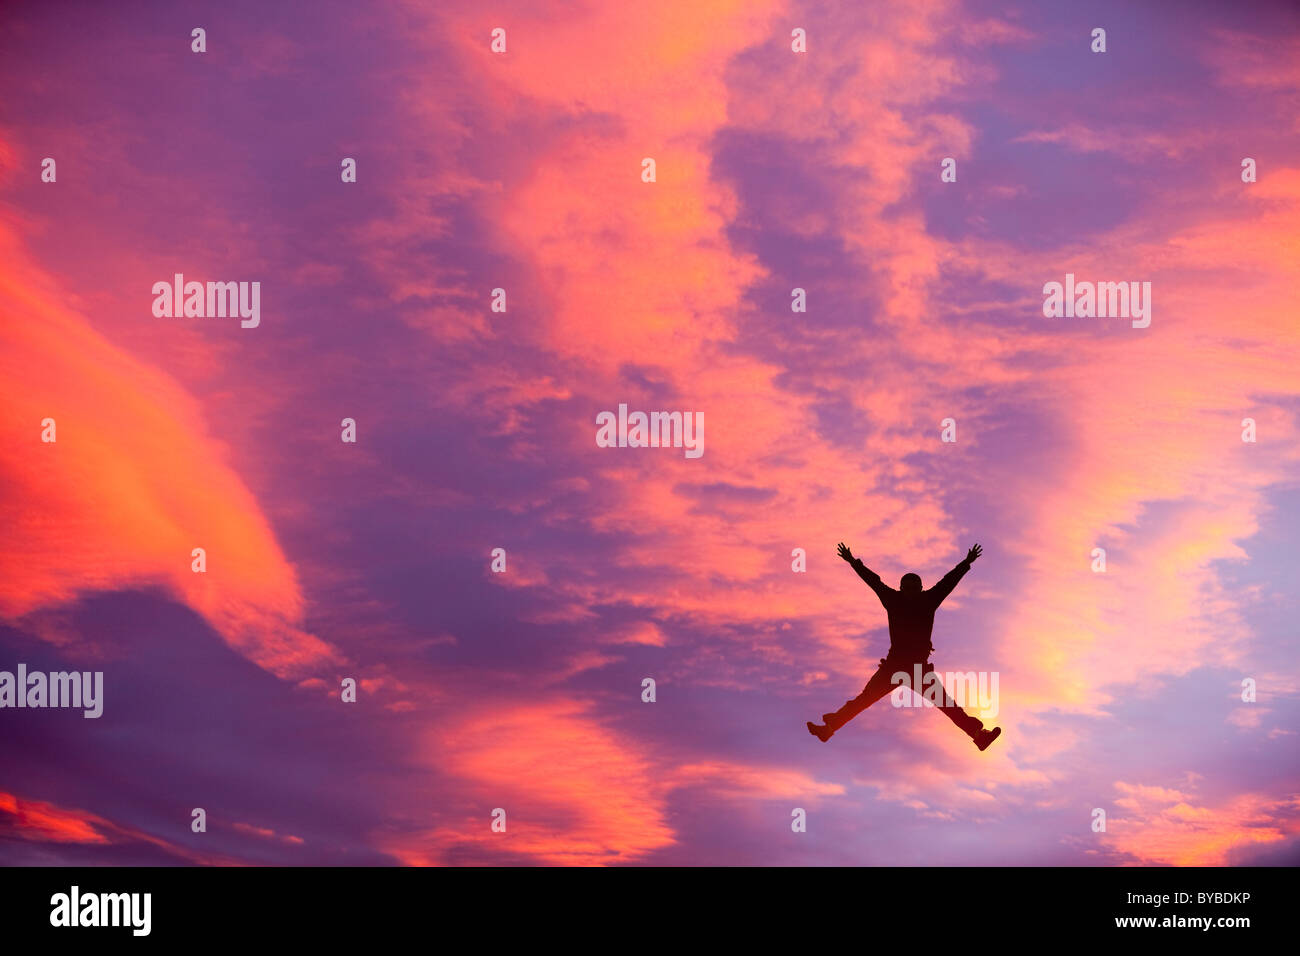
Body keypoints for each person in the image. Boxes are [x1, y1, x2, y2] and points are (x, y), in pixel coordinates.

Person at [807, 542, 1002, 751]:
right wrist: (854, 562)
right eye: (907, 588)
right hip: (894, 667)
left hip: (918, 669)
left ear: (920, 588)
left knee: (947, 705)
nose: (910, 592)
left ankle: (979, 736)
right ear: (901, 589)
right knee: (863, 700)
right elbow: (874, 582)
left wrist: (966, 563)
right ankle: (828, 729)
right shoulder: (895, 599)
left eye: (914, 588)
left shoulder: (928, 599)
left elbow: (948, 582)